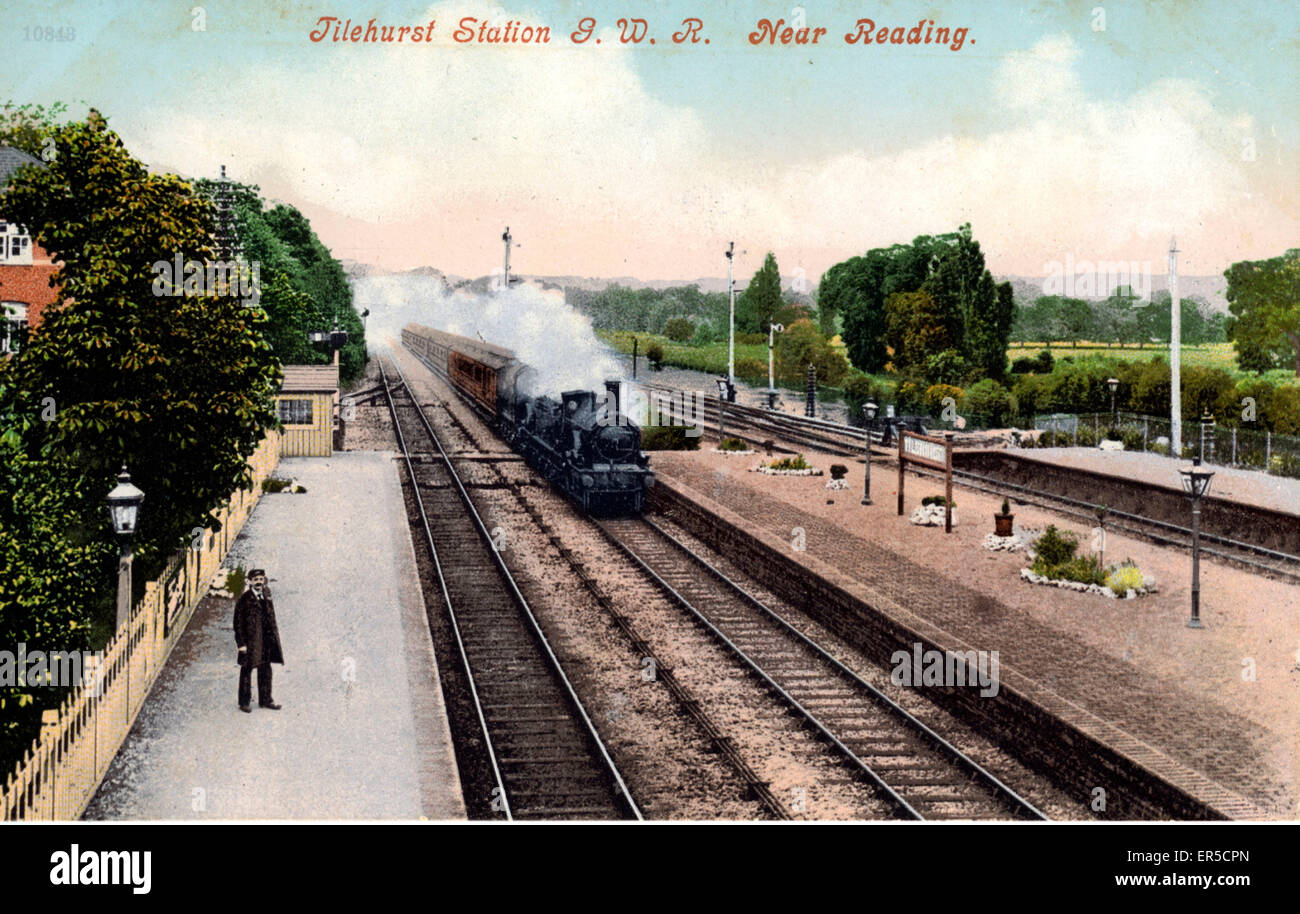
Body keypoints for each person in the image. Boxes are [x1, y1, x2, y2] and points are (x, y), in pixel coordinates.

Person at [233, 568, 284, 712]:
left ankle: (266, 700)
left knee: (266, 670)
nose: (259, 582)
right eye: (255, 580)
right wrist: (241, 644)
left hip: (266, 640)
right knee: (247, 670)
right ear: (250, 582)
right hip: (251, 642)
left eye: (261, 579)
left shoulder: (266, 595)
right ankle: (244, 702)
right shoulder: (244, 600)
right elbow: (237, 624)